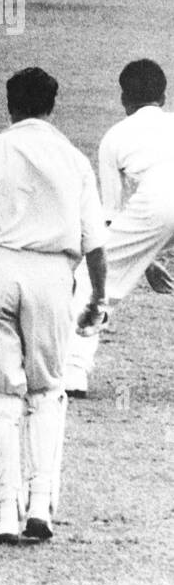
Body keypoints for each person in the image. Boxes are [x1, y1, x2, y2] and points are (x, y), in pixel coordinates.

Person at [0, 67, 107, 545]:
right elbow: (95, 242)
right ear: (52, 106)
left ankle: (6, 514)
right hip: (55, 279)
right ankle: (40, 508)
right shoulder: (74, 159)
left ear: (9, 105)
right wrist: (96, 296)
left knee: (0, 396)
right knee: (47, 392)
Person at [62, 59, 174, 398]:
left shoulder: (114, 138)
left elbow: (111, 218)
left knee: (90, 282)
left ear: (124, 99)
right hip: (158, 210)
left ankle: (72, 374)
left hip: (158, 206)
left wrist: (144, 256)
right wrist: (149, 256)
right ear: (164, 97)